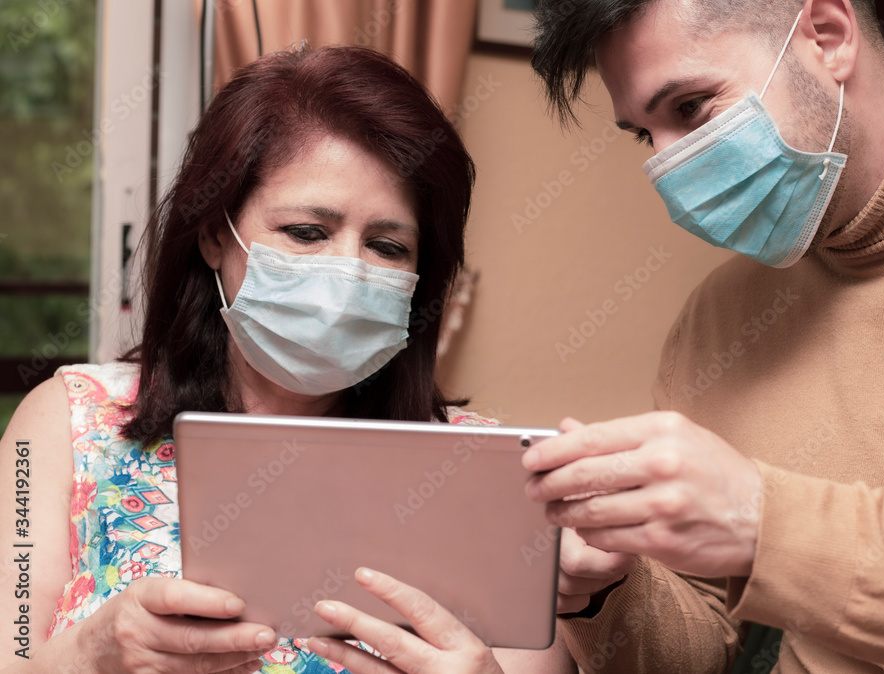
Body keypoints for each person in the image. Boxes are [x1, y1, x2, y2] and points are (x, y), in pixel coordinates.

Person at [0, 45, 573, 674]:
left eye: (386, 246)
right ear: (217, 235)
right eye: (306, 232)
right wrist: (91, 655)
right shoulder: (65, 426)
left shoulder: (491, 475)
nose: (347, 273)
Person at [525, 0, 884, 671]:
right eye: (643, 135)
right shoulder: (718, 319)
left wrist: (765, 527)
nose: (669, 166)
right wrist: (607, 593)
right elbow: (704, 649)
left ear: (828, 36)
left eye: (690, 108)